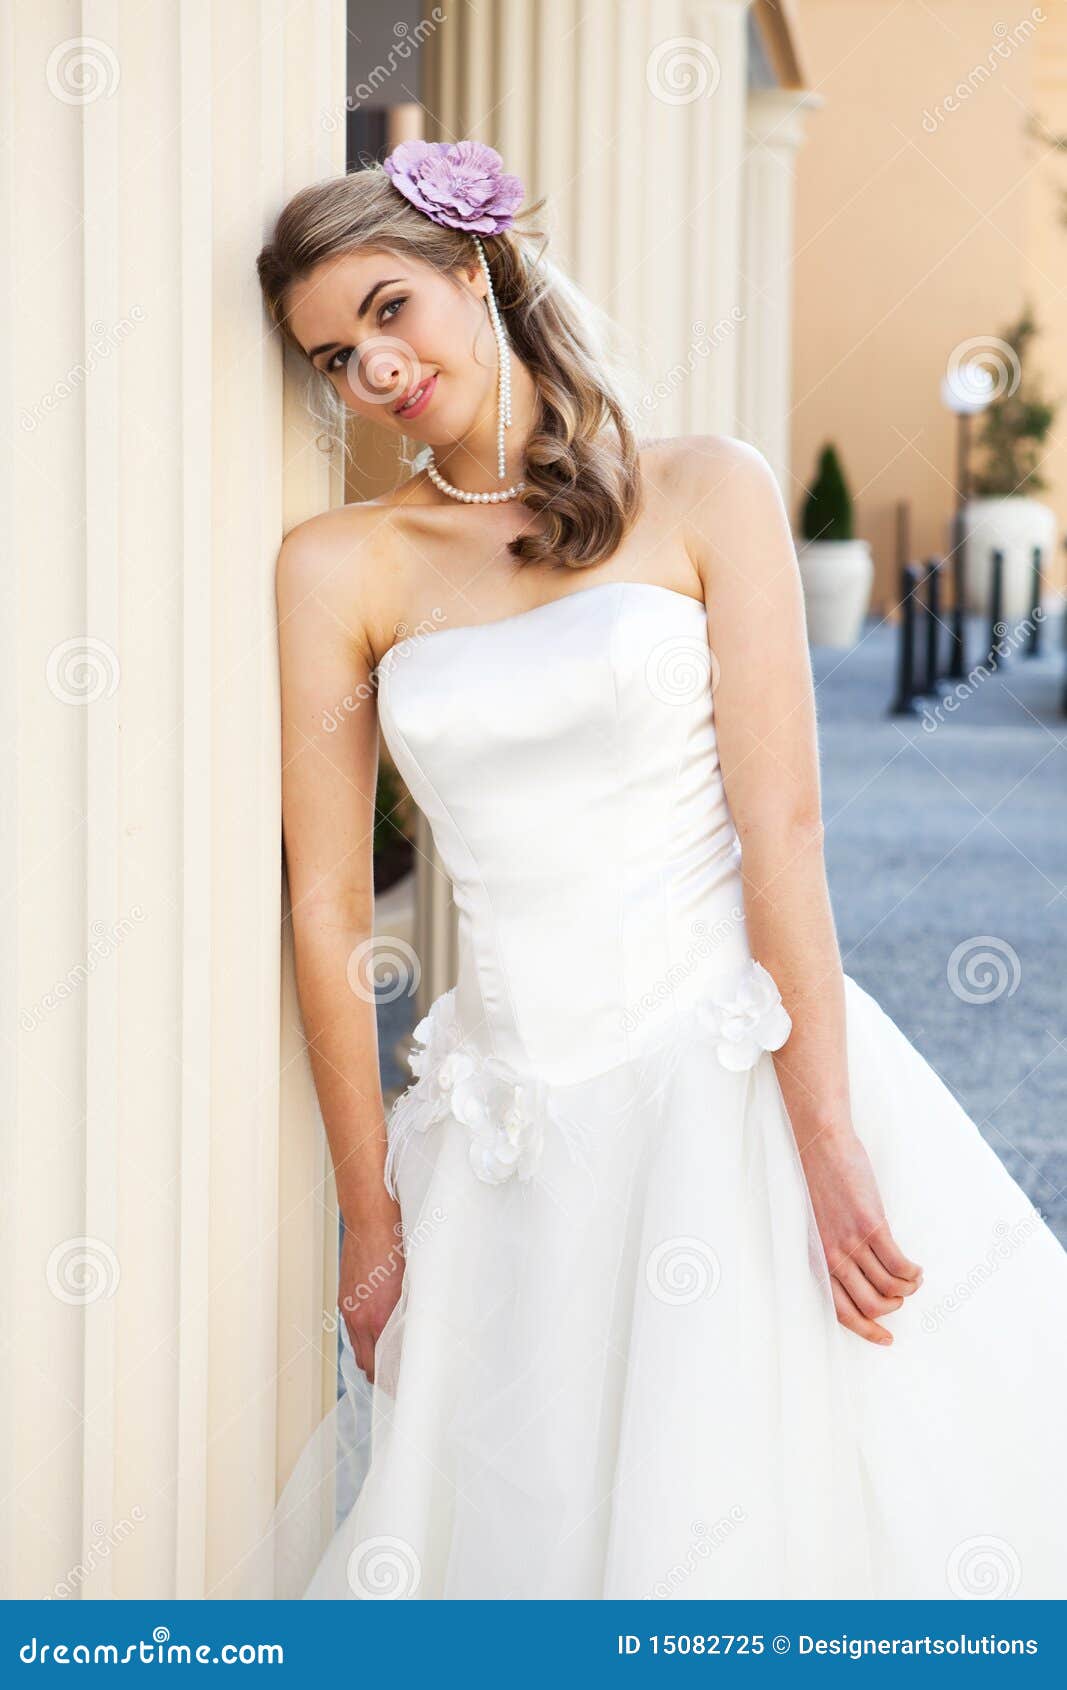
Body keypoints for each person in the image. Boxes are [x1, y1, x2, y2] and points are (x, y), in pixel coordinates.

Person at [250, 140, 1067, 1600]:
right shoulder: (337, 566)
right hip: (507, 1130)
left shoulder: (705, 490)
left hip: (722, 1075)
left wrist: (826, 1138)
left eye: (388, 310)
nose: (374, 367)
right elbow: (325, 907)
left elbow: (785, 832)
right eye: (333, 357)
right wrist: (368, 1213)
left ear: (475, 271)